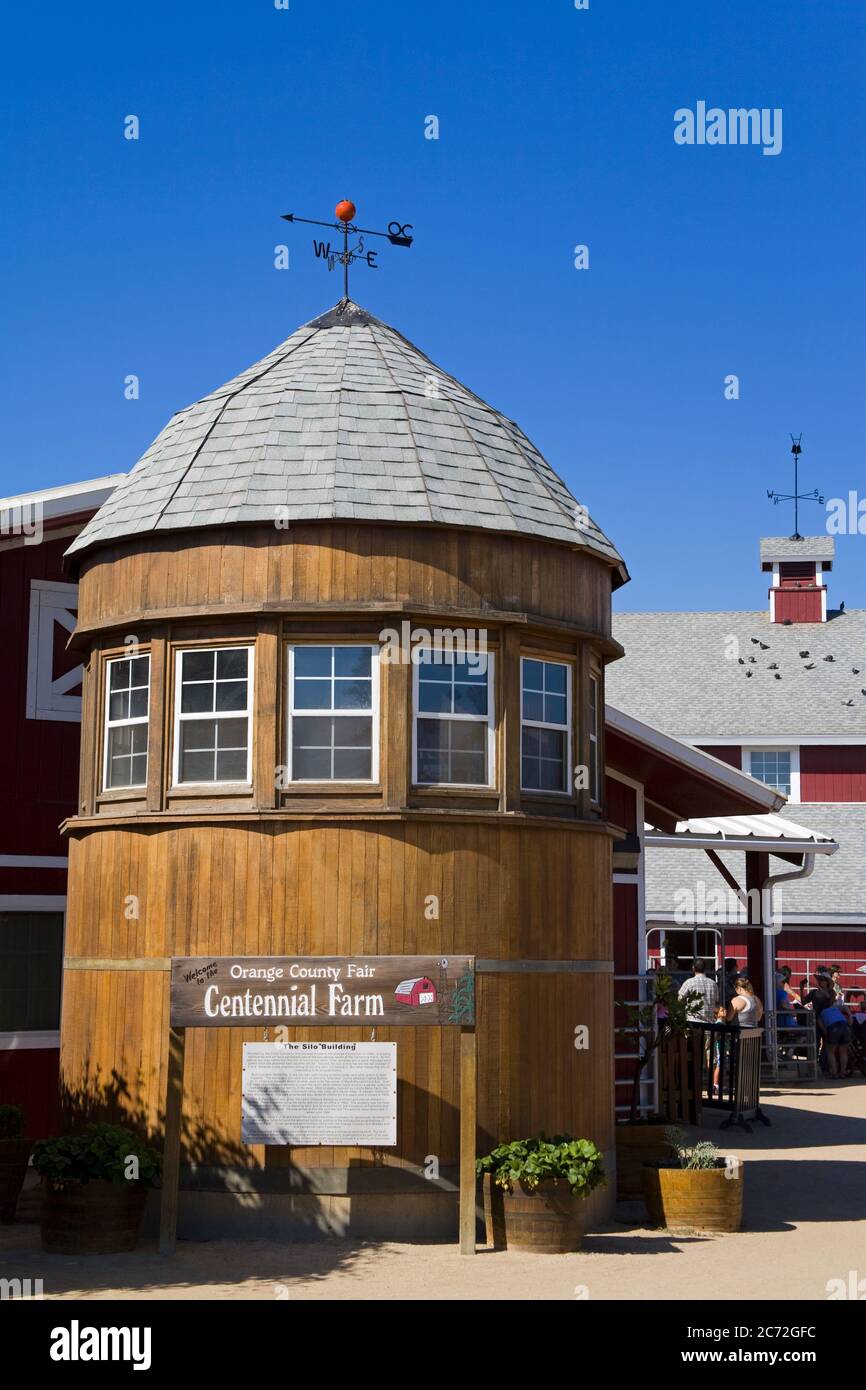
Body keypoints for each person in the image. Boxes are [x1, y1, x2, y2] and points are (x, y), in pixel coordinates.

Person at [818, 996, 853, 1078]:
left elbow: (819, 1022)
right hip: (845, 1026)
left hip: (833, 1028)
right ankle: (842, 1073)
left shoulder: (821, 1012)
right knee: (843, 1052)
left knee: (830, 1052)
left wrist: (826, 1032)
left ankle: (834, 1073)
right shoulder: (836, 1008)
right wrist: (850, 1016)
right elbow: (844, 1007)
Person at [678, 958, 719, 1023]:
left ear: (693, 968)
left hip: (693, 1021)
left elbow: (680, 999)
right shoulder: (713, 983)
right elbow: (716, 1002)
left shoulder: (689, 982)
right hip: (709, 1023)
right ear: (705, 968)